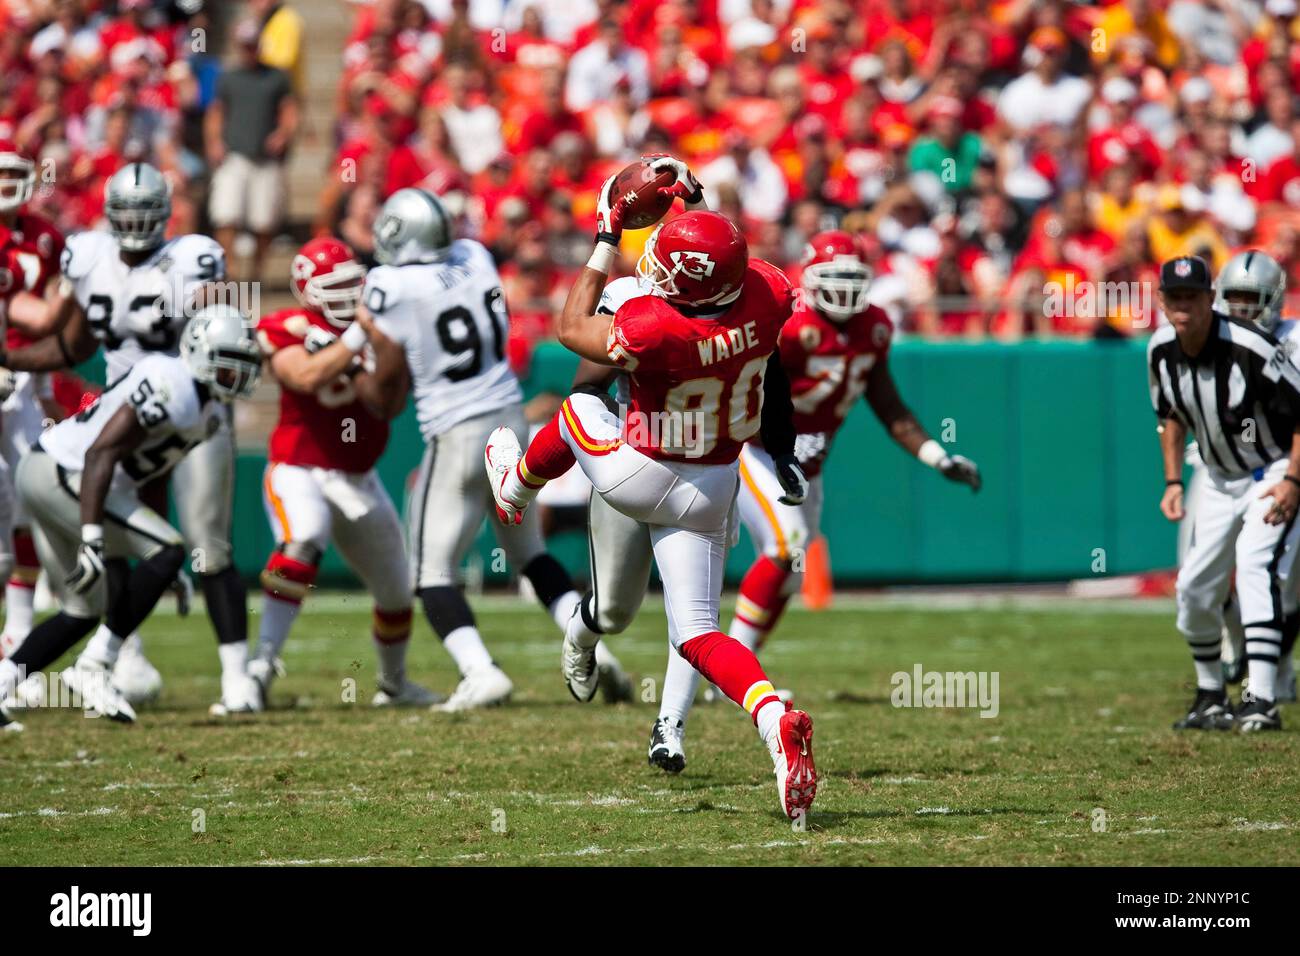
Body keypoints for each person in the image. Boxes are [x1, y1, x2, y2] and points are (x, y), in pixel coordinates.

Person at [485, 158, 819, 818]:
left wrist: (608, 231)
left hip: (641, 471)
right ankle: (774, 716)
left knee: (578, 411)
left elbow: (571, 328)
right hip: (713, 483)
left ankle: (514, 488)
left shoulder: (652, 323)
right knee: (697, 633)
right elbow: (730, 279)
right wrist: (689, 214)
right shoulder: (767, 293)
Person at [650, 230, 982, 771]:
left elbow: (888, 404)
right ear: (810, 280)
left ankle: (729, 669)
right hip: (758, 453)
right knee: (788, 546)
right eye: (836, 281)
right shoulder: (792, 325)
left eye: (855, 281)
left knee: (791, 565)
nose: (846, 295)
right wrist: (779, 446)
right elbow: (753, 387)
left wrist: (936, 457)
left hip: (809, 467)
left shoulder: (875, 327)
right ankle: (725, 665)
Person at [360, 187, 629, 711]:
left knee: (429, 571)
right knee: (530, 553)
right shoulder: (476, 256)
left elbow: (386, 378)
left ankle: (480, 671)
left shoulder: (389, 284)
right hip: (508, 419)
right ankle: (599, 654)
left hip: (455, 426)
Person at [3, 162, 255, 715]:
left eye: (148, 212)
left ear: (166, 214)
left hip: (186, 404)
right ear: (109, 215)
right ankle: (111, 661)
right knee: (127, 545)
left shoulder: (192, 260)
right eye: (127, 213)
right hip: (125, 416)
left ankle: (238, 679)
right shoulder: (89, 258)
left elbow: (223, 329)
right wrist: (11, 355)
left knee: (207, 543)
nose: (137, 224)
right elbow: (69, 345)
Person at [0, 305, 262, 730]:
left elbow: (151, 477)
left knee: (81, 611)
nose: (238, 375)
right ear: (199, 353)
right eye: (229, 364)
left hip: (60, 476)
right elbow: (101, 452)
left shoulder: (208, 414)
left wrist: (152, 554)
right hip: (64, 472)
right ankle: (95, 665)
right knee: (171, 549)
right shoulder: (170, 382)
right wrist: (95, 538)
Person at [251, 237, 439, 709]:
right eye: (334, 287)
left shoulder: (378, 329)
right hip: (298, 469)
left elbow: (388, 405)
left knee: (397, 586)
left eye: (353, 285)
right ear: (306, 290)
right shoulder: (286, 325)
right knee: (304, 537)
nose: (347, 295)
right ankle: (257, 671)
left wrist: (375, 347)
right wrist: (353, 341)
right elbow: (305, 376)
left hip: (358, 477)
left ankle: (393, 684)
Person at [1148, 255, 1300, 732]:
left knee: (1256, 566)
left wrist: (1293, 480)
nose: (1183, 306)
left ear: (1207, 299)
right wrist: (1173, 480)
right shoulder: (1159, 349)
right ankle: (1210, 694)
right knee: (1193, 587)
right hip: (1215, 475)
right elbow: (1169, 416)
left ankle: (1263, 697)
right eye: (1175, 297)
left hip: (1267, 468)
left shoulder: (1253, 346)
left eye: (1192, 296)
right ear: (1162, 300)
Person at [1204, 250, 1296, 700]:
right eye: (1233, 298)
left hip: (1281, 467)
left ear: (1273, 299)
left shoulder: (1293, 340)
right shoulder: (1212, 338)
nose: (1240, 309)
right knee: (1204, 573)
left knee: (1279, 577)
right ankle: (1235, 650)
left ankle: (1271, 674)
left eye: (1250, 299)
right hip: (1221, 470)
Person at [204, 19, 297, 282]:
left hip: (265, 158)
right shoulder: (228, 77)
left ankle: (257, 273)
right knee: (226, 214)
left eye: (252, 45)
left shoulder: (277, 77)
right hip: (234, 155)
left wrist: (283, 134)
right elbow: (216, 112)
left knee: (264, 221)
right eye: (245, 45)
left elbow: (289, 110)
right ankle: (229, 271)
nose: (249, 50)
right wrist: (214, 141)